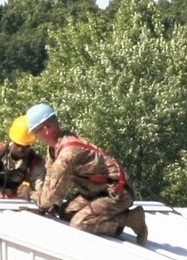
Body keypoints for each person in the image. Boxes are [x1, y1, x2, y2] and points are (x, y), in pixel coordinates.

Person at [24, 103, 148, 243]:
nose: (36, 138)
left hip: (117, 193)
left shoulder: (67, 154)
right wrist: (45, 206)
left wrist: (30, 194)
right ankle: (110, 222)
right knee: (65, 213)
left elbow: (53, 194)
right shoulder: (56, 147)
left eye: (36, 132)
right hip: (95, 191)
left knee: (80, 224)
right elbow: (51, 179)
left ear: (46, 129)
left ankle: (130, 219)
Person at [0, 116, 46, 199]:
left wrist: (29, 193)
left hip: (16, 204)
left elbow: (40, 192)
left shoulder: (35, 162)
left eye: (26, 146)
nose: (21, 149)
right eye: (18, 145)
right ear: (13, 141)